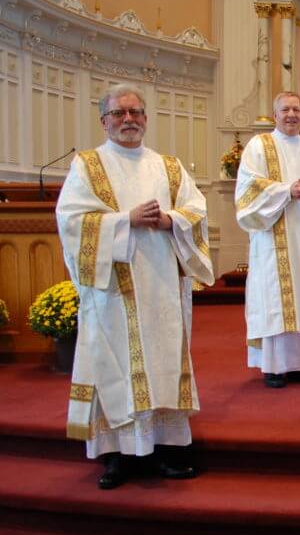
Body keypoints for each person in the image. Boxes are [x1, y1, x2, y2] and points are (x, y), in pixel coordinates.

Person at [56, 83, 214, 489]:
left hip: (161, 285)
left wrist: (169, 220)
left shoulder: (169, 166)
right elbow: (73, 221)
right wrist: (125, 220)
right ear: (103, 121)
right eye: (119, 114)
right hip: (113, 290)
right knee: (115, 366)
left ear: (146, 118)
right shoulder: (88, 166)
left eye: (136, 113)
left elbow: (195, 211)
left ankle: (167, 450)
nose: (128, 120)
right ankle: (117, 457)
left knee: (162, 363)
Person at [236, 92, 300, 388]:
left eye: (296, 109)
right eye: (285, 110)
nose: (291, 115)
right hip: (272, 238)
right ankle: (274, 367)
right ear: (275, 114)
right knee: (274, 297)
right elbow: (248, 187)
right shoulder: (259, 146)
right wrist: (286, 191)